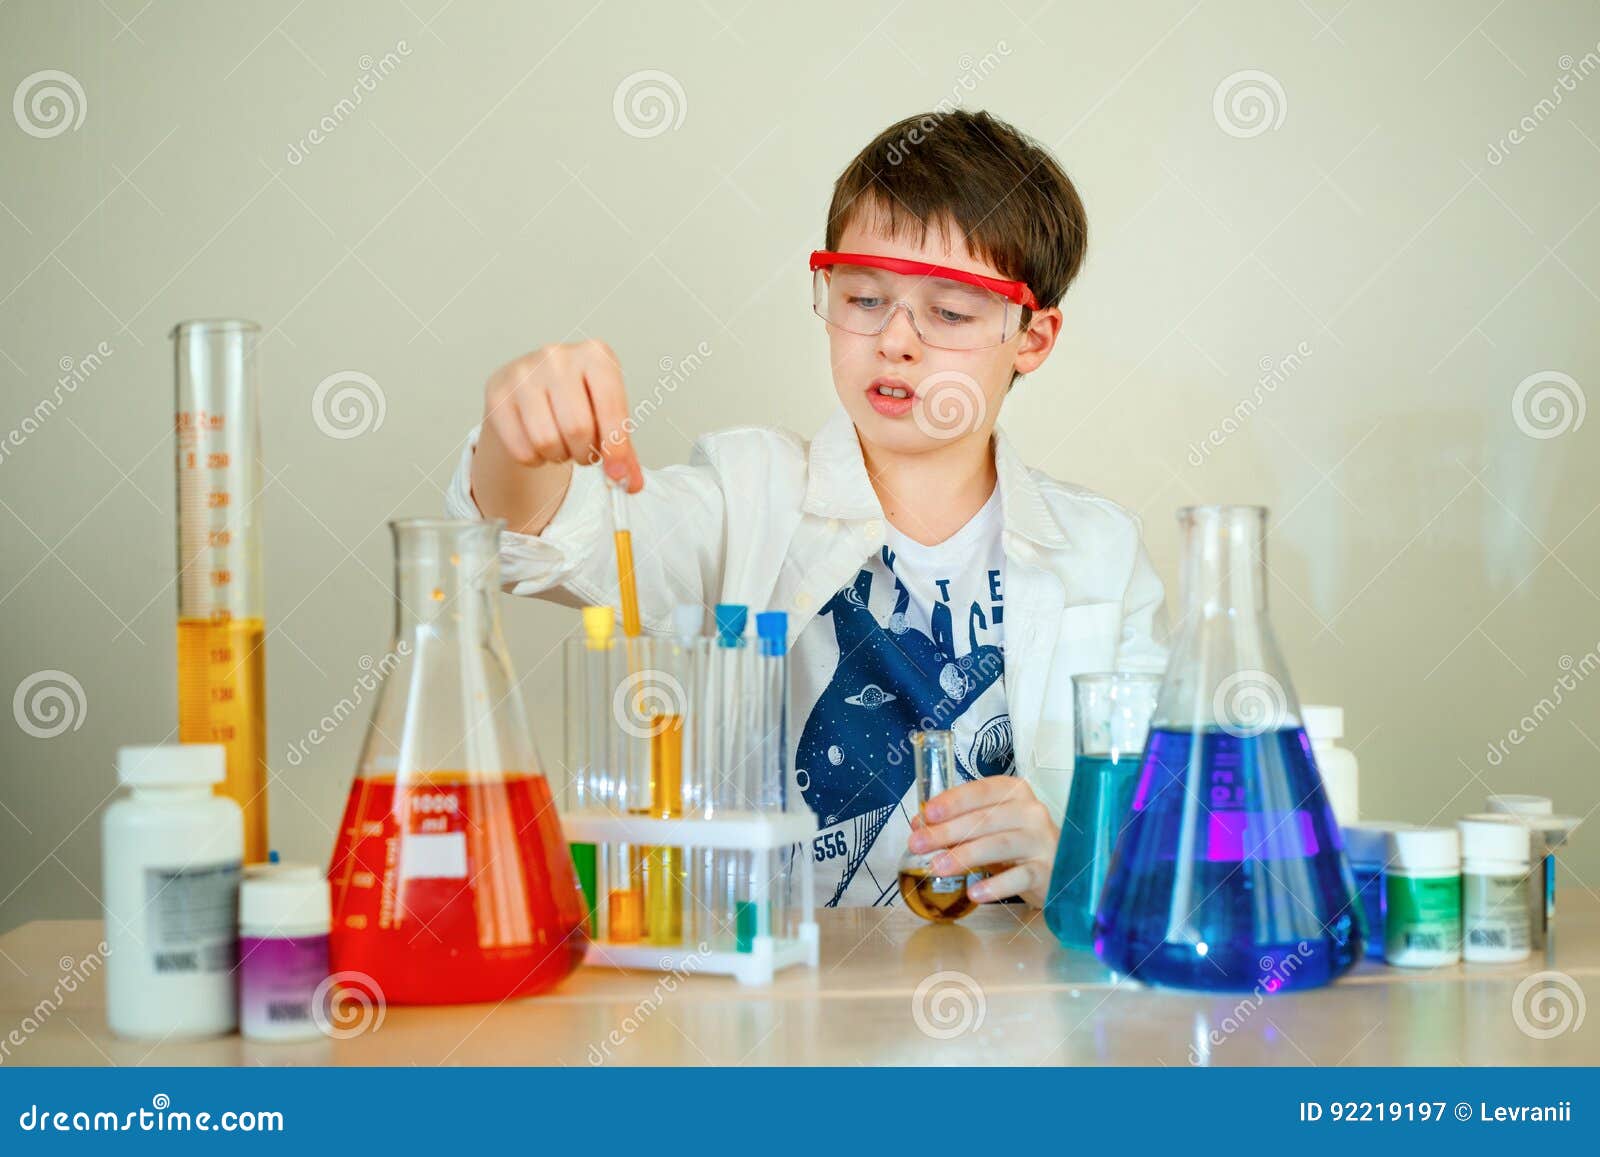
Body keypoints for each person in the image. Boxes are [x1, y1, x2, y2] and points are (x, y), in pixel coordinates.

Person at [447, 109, 1168, 911]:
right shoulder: (746, 493)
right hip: (780, 1009)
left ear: (1032, 337)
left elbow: (1170, 852)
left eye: (951, 313)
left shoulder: (1100, 551)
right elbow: (533, 539)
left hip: (1023, 1017)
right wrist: (519, 437)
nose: (896, 340)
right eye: (864, 296)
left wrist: (1071, 859)